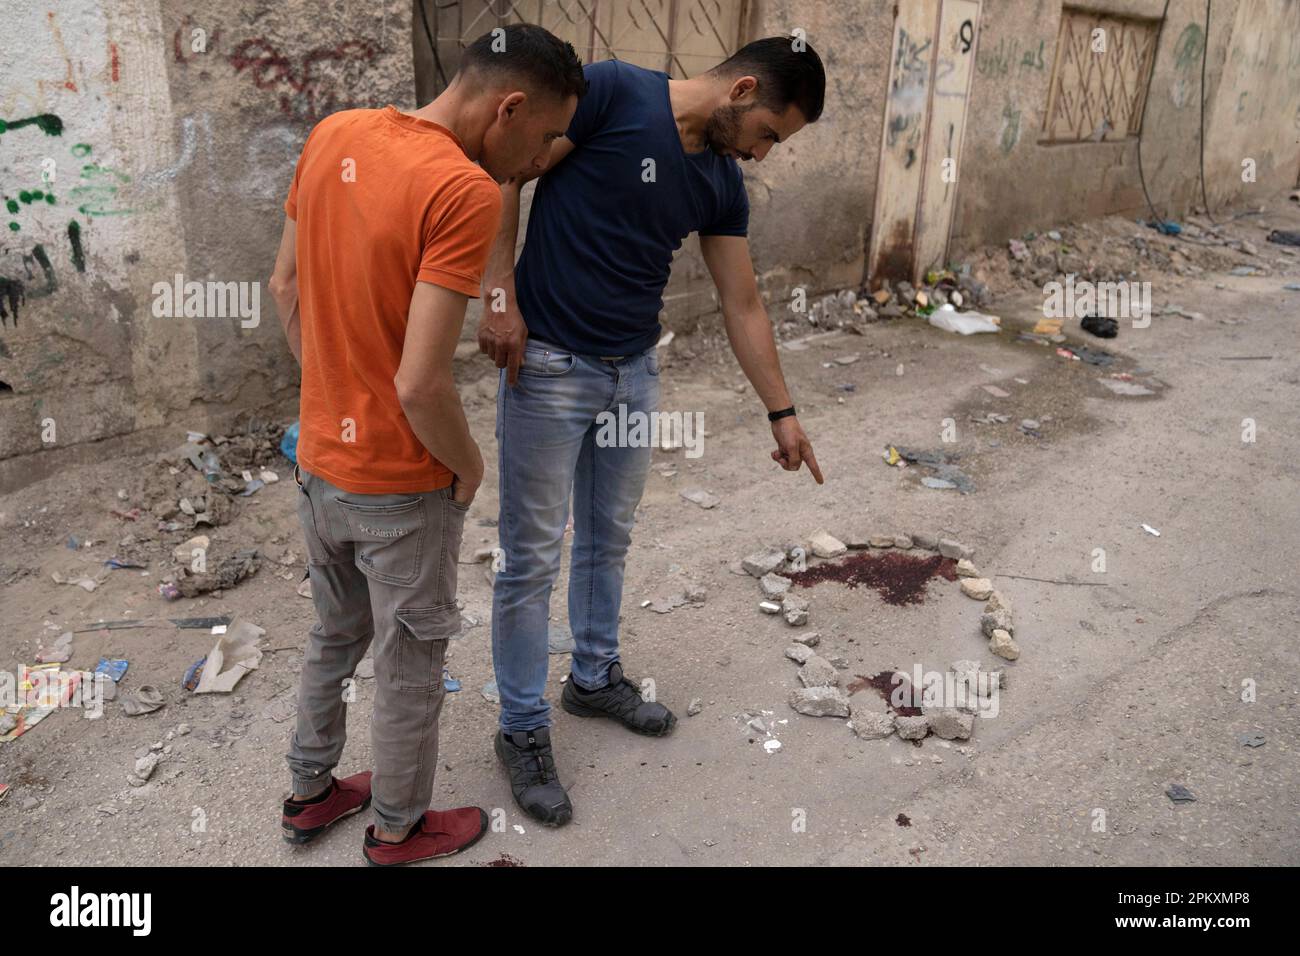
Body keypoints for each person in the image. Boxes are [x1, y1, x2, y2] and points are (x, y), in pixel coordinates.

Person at [479, 36, 826, 827]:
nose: (766, 153)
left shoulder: (719, 181)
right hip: (551, 367)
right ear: (741, 89)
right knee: (529, 556)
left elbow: (742, 302)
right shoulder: (609, 94)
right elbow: (509, 168)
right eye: (771, 131)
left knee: (608, 538)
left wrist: (783, 411)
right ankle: (522, 729)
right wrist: (497, 289)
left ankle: (593, 678)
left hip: (631, 373)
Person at [268, 23, 585, 865]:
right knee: (410, 664)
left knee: (334, 636)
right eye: (549, 133)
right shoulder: (462, 189)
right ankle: (398, 830)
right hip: (398, 486)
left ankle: (308, 792)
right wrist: (468, 465)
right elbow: (418, 382)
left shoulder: (335, 134)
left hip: (319, 467)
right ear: (509, 106)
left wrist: (331, 394)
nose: (547, 154)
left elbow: (283, 286)